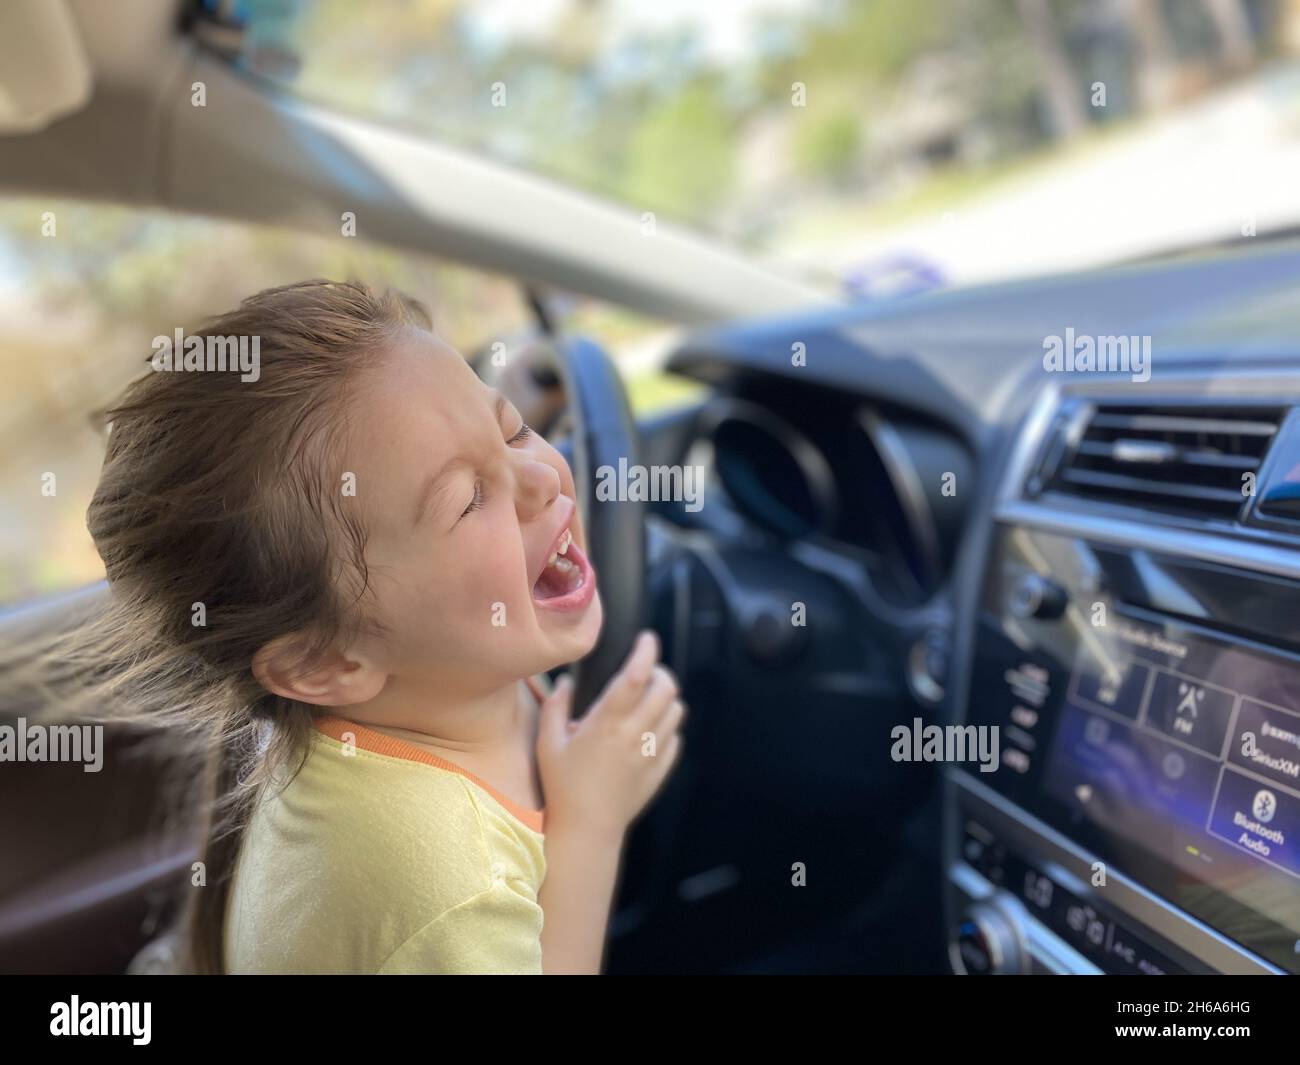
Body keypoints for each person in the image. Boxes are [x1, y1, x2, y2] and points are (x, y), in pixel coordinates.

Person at [36, 279, 685, 974]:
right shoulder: (444, 884)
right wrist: (591, 824)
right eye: (469, 500)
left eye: (511, 429)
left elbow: (409, 465)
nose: (542, 478)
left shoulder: (388, 681)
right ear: (324, 662)